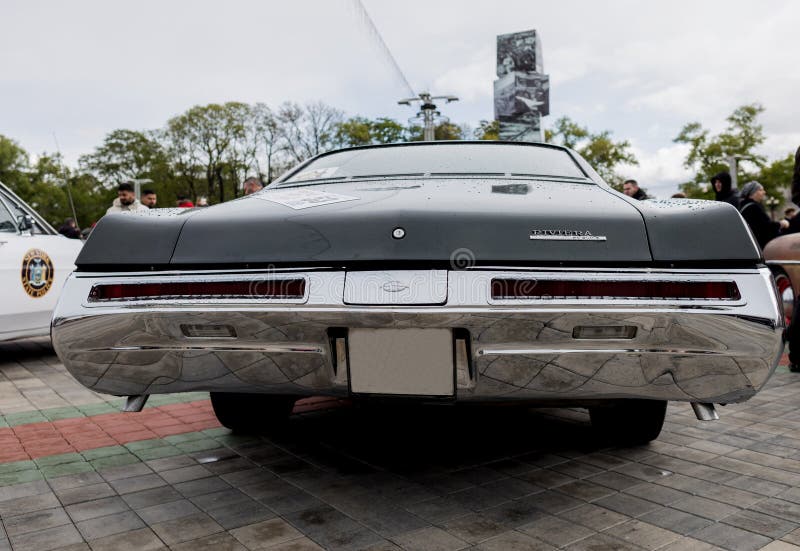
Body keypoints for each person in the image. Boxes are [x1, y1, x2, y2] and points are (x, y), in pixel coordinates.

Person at [738, 181, 788, 248]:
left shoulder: (743, 207)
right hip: (761, 248)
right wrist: (782, 224)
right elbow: (767, 227)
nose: (764, 192)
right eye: (760, 190)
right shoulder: (753, 207)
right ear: (753, 193)